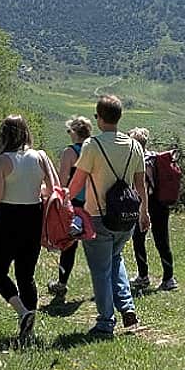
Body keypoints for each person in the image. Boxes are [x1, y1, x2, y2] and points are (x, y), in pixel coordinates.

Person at [65, 95, 150, 337]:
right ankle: (128, 307)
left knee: (100, 269)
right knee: (116, 259)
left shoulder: (93, 145)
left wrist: (64, 201)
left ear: (100, 118)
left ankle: (105, 322)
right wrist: (144, 213)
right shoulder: (134, 146)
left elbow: (78, 181)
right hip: (127, 216)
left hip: (98, 216)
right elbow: (140, 185)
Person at [0, 115, 58, 344]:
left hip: (8, 218)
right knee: (26, 275)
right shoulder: (40, 156)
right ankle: (29, 329)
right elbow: (53, 188)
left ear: (4, 134)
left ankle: (22, 312)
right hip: (33, 217)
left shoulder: (2, 161)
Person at [47, 116, 92, 296]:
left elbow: (62, 180)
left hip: (74, 203)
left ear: (74, 132)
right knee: (95, 243)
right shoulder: (94, 150)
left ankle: (62, 283)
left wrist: (57, 201)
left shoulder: (70, 152)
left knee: (69, 245)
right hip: (93, 202)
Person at [128, 127, 177, 292]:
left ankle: (143, 276)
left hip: (147, 204)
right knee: (162, 240)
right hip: (161, 205)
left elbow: (145, 188)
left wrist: (143, 210)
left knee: (138, 239)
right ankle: (169, 277)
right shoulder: (154, 157)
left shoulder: (141, 161)